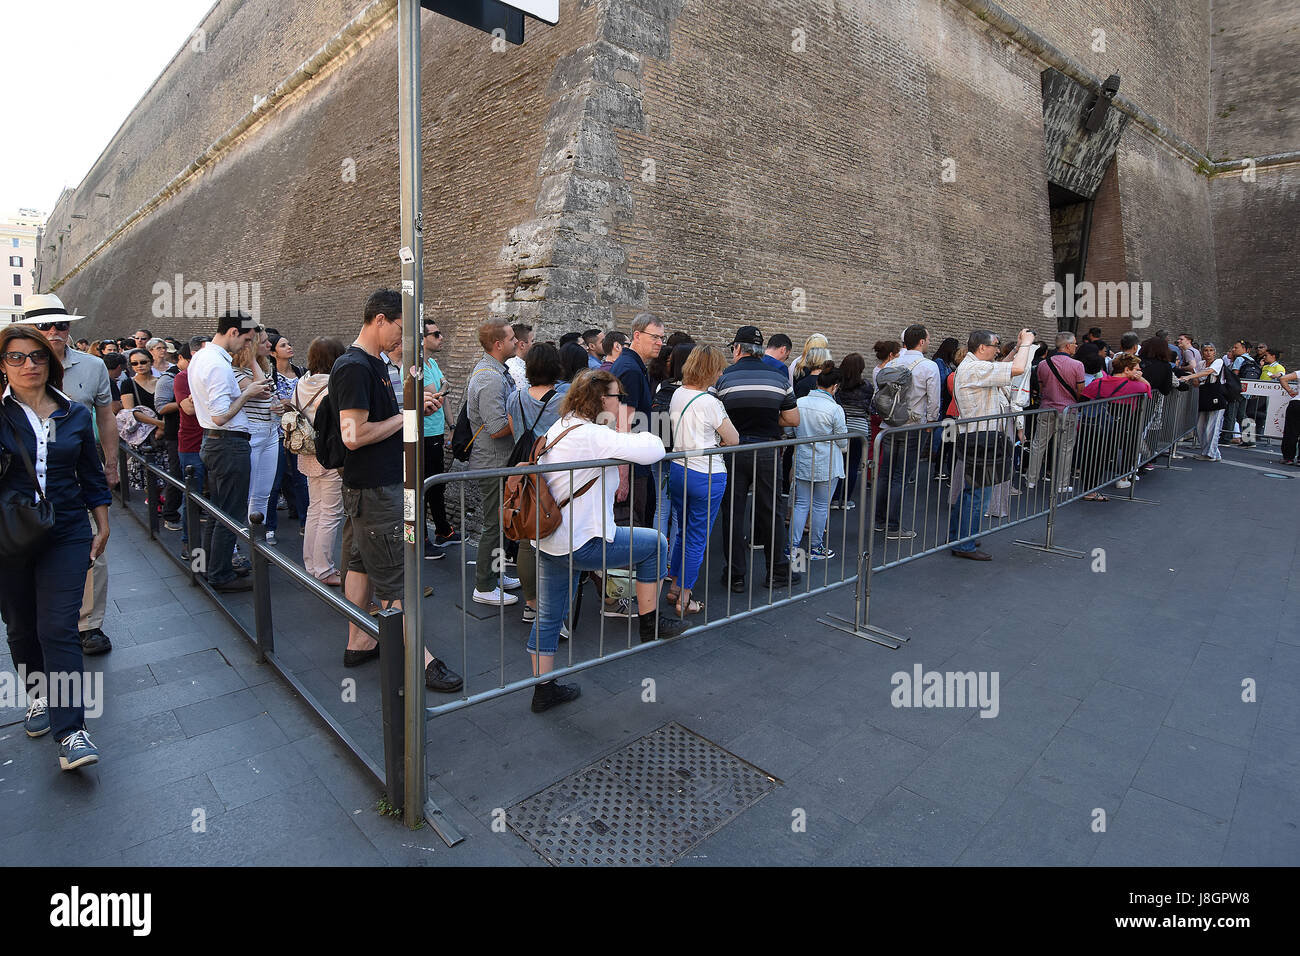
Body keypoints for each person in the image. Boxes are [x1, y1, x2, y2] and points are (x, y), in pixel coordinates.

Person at [528, 370, 689, 711]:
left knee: (548, 617)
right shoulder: (590, 434)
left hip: (550, 540)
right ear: (602, 400)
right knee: (656, 544)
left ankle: (542, 689)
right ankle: (651, 624)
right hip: (580, 542)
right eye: (617, 398)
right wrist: (626, 430)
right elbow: (654, 447)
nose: (621, 404)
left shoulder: (562, 427)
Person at [331, 288, 461, 692]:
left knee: (359, 564)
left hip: (368, 487)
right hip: (375, 490)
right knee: (395, 576)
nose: (405, 341)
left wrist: (412, 406)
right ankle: (419, 659)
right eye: (402, 330)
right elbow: (353, 435)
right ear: (380, 320)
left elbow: (374, 422)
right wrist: (408, 416)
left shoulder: (371, 364)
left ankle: (359, 640)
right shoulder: (356, 367)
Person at [0, 325, 111, 770]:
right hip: (8, 533)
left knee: (58, 628)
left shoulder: (75, 415)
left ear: (51, 362)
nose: (29, 364)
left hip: (66, 529)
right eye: (17, 357)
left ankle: (72, 732)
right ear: (3, 365)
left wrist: (101, 522)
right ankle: (38, 695)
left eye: (37, 356)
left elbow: (91, 472)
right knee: (21, 628)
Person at [19, 295, 119, 657]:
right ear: (29, 328)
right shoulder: (11, 368)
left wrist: (111, 461)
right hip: (21, 480)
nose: (55, 332)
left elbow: (106, 416)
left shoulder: (92, 368)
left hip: (78, 470)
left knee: (93, 545)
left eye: (61, 324)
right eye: (45, 325)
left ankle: (89, 624)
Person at [189, 311, 273, 592]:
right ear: (233, 332)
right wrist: (247, 394)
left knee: (220, 510)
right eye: (247, 339)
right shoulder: (216, 363)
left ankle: (214, 567)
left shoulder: (203, 357)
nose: (247, 346)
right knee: (230, 512)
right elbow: (220, 415)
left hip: (217, 443)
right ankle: (220, 574)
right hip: (226, 442)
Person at [715, 325, 801, 592]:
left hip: (733, 451)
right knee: (771, 511)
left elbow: (715, 418)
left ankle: (736, 576)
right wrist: (767, 418)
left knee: (733, 512)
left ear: (738, 349)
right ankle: (777, 571)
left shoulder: (723, 378)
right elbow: (793, 418)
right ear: (761, 350)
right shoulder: (778, 377)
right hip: (766, 450)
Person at [947, 328, 1035, 560]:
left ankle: (960, 537)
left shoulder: (973, 366)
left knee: (971, 492)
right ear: (982, 347)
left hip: (977, 436)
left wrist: (1016, 348)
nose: (998, 350)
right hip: (981, 438)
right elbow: (1017, 369)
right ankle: (964, 544)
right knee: (978, 495)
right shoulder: (975, 368)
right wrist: (1026, 344)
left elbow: (1001, 368)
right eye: (996, 346)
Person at [663, 346, 736, 616]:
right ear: (709, 371)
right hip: (707, 474)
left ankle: (673, 587)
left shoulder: (678, 393)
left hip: (679, 470)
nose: (720, 373)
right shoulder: (710, 402)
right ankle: (685, 597)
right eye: (718, 369)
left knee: (681, 531)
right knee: (697, 538)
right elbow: (734, 439)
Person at [505, 343, 569, 623]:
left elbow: (513, 430)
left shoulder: (515, 397)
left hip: (523, 473)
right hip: (554, 474)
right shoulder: (563, 399)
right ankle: (553, 605)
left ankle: (531, 603)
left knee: (526, 538)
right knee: (557, 535)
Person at [466, 316, 522, 605]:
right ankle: (484, 587)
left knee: (501, 523)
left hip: (500, 462)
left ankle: (496, 573)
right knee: (493, 524)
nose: (517, 342)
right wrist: (527, 413)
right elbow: (497, 427)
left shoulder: (497, 371)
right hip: (493, 463)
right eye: (512, 338)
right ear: (499, 344)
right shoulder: (488, 378)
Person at [294, 337, 346, 585]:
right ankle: (324, 569)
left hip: (307, 453)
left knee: (315, 509)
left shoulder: (302, 382)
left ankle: (311, 564)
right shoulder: (332, 386)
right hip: (329, 455)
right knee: (331, 513)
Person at [611, 312, 665, 529]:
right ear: (637, 335)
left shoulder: (632, 366)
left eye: (662, 337)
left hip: (634, 463)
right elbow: (623, 425)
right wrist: (623, 477)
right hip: (631, 467)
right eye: (655, 337)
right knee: (634, 527)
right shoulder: (631, 370)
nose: (660, 342)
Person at [790, 366, 848, 562]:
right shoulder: (835, 409)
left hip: (803, 459)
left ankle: (793, 548)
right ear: (834, 387)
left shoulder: (800, 402)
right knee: (821, 506)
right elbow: (842, 440)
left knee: (801, 504)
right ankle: (815, 547)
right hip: (828, 462)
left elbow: (790, 432)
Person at [231, 330, 282, 542]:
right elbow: (263, 389)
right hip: (251, 434)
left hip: (270, 432)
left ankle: (257, 535)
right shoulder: (235, 371)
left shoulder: (264, 368)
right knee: (243, 494)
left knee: (263, 492)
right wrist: (252, 361)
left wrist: (278, 406)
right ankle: (231, 543)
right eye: (263, 342)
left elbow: (271, 396)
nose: (269, 345)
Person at [1079, 353, 1153, 499]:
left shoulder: (1099, 382)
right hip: (1117, 426)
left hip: (1094, 424)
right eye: (1136, 369)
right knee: (1108, 455)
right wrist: (1140, 378)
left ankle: (1089, 489)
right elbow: (1148, 389)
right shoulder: (1135, 385)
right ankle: (1106, 485)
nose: (1138, 372)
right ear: (1127, 369)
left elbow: (1083, 399)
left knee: (1091, 457)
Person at [1025, 331, 1085, 491]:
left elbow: (1042, 387)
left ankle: (1031, 479)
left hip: (1046, 407)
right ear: (1067, 346)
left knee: (1039, 444)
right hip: (1068, 409)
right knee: (1066, 447)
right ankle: (1062, 484)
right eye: (1074, 343)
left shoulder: (1043, 365)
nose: (1076, 346)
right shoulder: (1077, 365)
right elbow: (1080, 390)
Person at [266, 333, 309, 541]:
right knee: (275, 482)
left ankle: (306, 522)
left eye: (289, 343)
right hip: (277, 434)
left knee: (302, 480)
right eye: (283, 345)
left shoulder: (301, 372)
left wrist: (292, 403)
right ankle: (269, 527)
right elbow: (270, 405)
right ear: (273, 352)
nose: (289, 347)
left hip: (299, 434)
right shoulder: (269, 376)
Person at [420, 317, 457, 552]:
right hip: (421, 436)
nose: (441, 337)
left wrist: (451, 427)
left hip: (435, 433)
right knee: (423, 486)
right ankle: (421, 540)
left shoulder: (432, 363)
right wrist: (443, 388)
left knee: (436, 485)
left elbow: (443, 397)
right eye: (435, 334)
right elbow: (436, 396)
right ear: (421, 339)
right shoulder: (416, 367)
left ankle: (443, 530)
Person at [173, 337, 209, 559]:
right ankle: (190, 542)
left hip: (214, 443)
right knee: (193, 497)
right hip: (192, 444)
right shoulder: (182, 378)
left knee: (215, 498)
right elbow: (188, 409)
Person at [832, 352, 872, 509]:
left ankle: (834, 499)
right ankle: (846, 500)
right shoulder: (867, 387)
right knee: (853, 465)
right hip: (859, 430)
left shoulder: (838, 385)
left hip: (841, 427)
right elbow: (869, 406)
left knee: (837, 464)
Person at [153, 342, 185, 531]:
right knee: (177, 473)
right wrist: (184, 401)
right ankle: (170, 513)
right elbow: (161, 407)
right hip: (175, 434)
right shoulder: (168, 379)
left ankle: (197, 510)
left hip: (196, 433)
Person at [1180, 342, 1227, 461]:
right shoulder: (1201, 364)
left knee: (1212, 427)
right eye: (1206, 350)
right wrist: (1192, 378)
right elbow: (1196, 379)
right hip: (1205, 397)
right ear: (1202, 352)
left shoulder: (1219, 362)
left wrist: (1190, 377)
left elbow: (1207, 372)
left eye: (1211, 350)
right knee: (1200, 426)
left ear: (1215, 352)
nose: (1208, 353)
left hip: (1216, 397)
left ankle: (1210, 454)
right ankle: (1212, 453)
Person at [1273, 368, 1300, 464]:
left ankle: (1288, 458)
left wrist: (1290, 391)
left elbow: (1283, 378)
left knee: (1291, 432)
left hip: (1297, 403)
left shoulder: (1299, 373)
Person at [506, 323, 533, 392]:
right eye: (532, 341)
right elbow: (525, 401)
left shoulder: (509, 364)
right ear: (522, 345)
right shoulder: (519, 372)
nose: (533, 345)